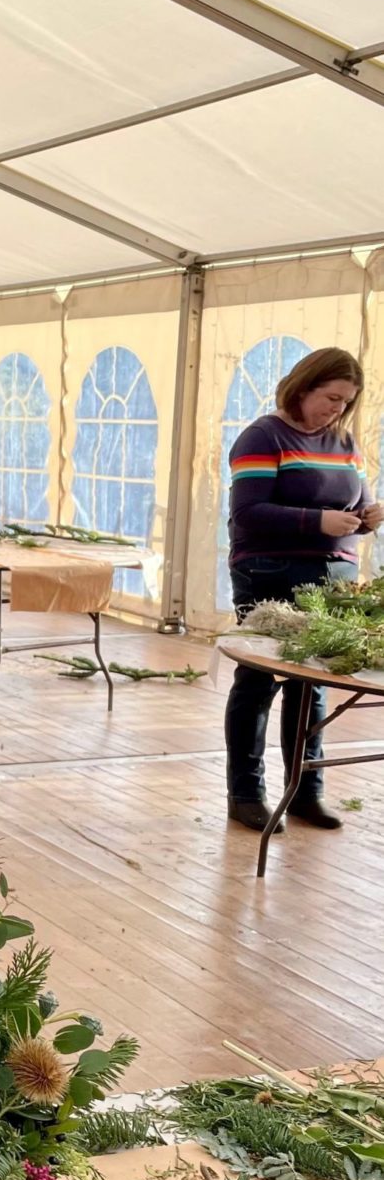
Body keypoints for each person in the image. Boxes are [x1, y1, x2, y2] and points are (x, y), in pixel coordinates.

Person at [224, 347, 381, 831]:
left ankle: (305, 791)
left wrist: (371, 515)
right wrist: (318, 521)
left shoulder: (344, 440)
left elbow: (360, 498)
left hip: (331, 579)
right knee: (258, 682)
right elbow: (246, 514)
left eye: (346, 402)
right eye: (330, 397)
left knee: (311, 687)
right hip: (268, 574)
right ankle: (246, 793)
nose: (336, 409)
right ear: (303, 386)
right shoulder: (263, 435)